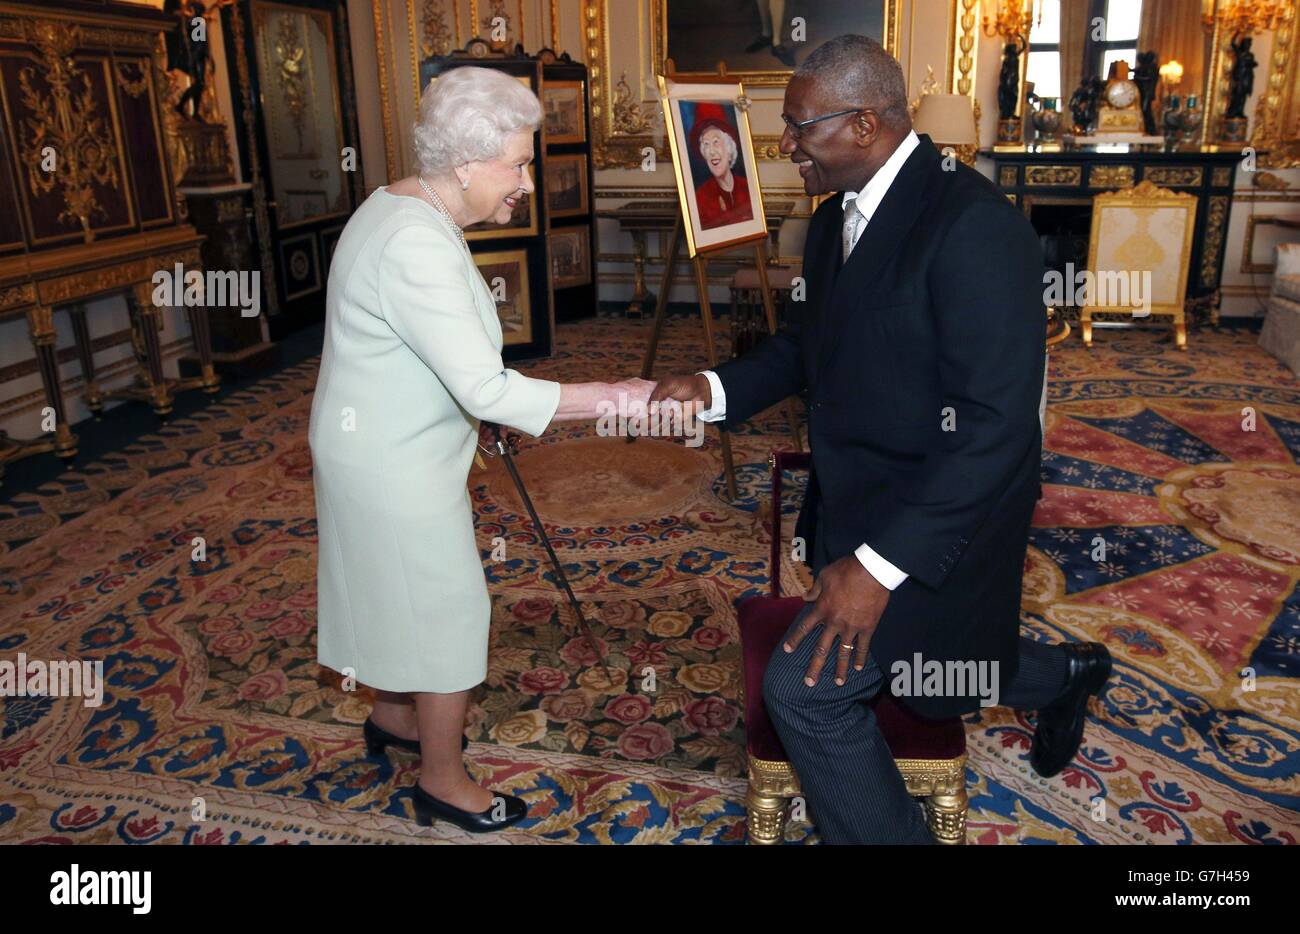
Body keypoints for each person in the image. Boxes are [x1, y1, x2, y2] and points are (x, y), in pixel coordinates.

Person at [651, 35, 1111, 844]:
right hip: (862, 504)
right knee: (936, 667)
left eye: (799, 127)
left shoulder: (974, 226)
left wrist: (875, 567)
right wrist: (715, 388)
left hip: (944, 527)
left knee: (806, 689)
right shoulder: (832, 223)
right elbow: (804, 348)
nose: (785, 144)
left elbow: (995, 428)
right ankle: (1070, 674)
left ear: (863, 124)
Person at [308, 66, 652, 834]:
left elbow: (433, 352)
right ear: (465, 164)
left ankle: (395, 721)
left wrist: (473, 402)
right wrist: (614, 396)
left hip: (380, 436)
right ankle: (441, 778)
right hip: (390, 458)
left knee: (394, 593)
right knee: (447, 605)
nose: (529, 181)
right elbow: (488, 388)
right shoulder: (416, 243)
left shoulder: (402, 203)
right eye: (519, 163)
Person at [690, 103, 753, 230]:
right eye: (706, 144)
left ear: (729, 149)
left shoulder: (749, 188)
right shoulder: (700, 198)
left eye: (716, 142)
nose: (711, 151)